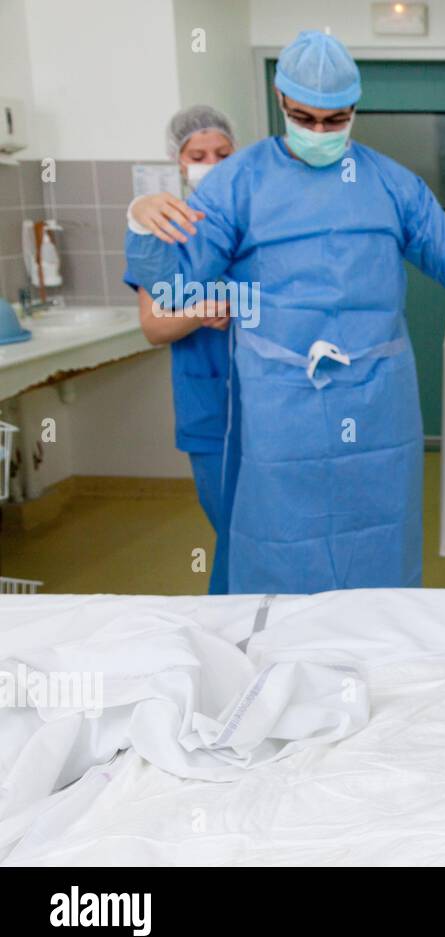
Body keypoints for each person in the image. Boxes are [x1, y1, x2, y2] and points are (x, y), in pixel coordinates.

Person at [123, 30, 445, 594]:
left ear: (355, 109)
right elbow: (174, 289)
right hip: (281, 406)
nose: (321, 132)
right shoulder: (240, 182)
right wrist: (143, 221)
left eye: (336, 120)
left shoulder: (391, 183)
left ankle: (372, 660)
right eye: (306, 118)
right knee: (281, 542)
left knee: (377, 536)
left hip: (378, 401)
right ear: (282, 102)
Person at [125, 106, 240, 595]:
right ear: (177, 160)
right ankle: (236, 650)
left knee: (270, 536)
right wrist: (202, 310)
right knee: (237, 538)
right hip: (207, 407)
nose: (210, 163)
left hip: (272, 402)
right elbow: (154, 325)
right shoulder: (160, 226)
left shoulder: (252, 218)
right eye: (198, 155)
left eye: (223, 154)